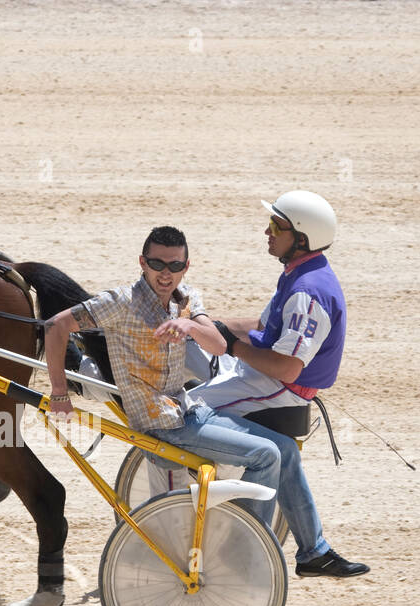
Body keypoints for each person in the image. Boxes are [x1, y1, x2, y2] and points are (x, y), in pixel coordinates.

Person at [45, 226, 286, 533]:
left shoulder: (186, 298)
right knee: (266, 454)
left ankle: (258, 534)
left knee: (282, 447)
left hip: (191, 413)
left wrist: (190, 326)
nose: (165, 274)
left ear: (185, 267)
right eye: (157, 264)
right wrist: (59, 392)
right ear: (143, 263)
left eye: (174, 266)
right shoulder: (121, 302)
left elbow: (219, 345)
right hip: (163, 426)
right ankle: (248, 542)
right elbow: (55, 326)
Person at [190, 191, 368, 577]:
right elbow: (262, 326)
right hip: (265, 375)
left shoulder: (309, 292)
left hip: (279, 386)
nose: (266, 232)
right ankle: (313, 551)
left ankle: (238, 546)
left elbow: (287, 368)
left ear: (300, 238)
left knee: (182, 414)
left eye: (276, 226)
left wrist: (230, 346)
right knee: (284, 453)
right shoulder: (300, 272)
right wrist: (210, 326)